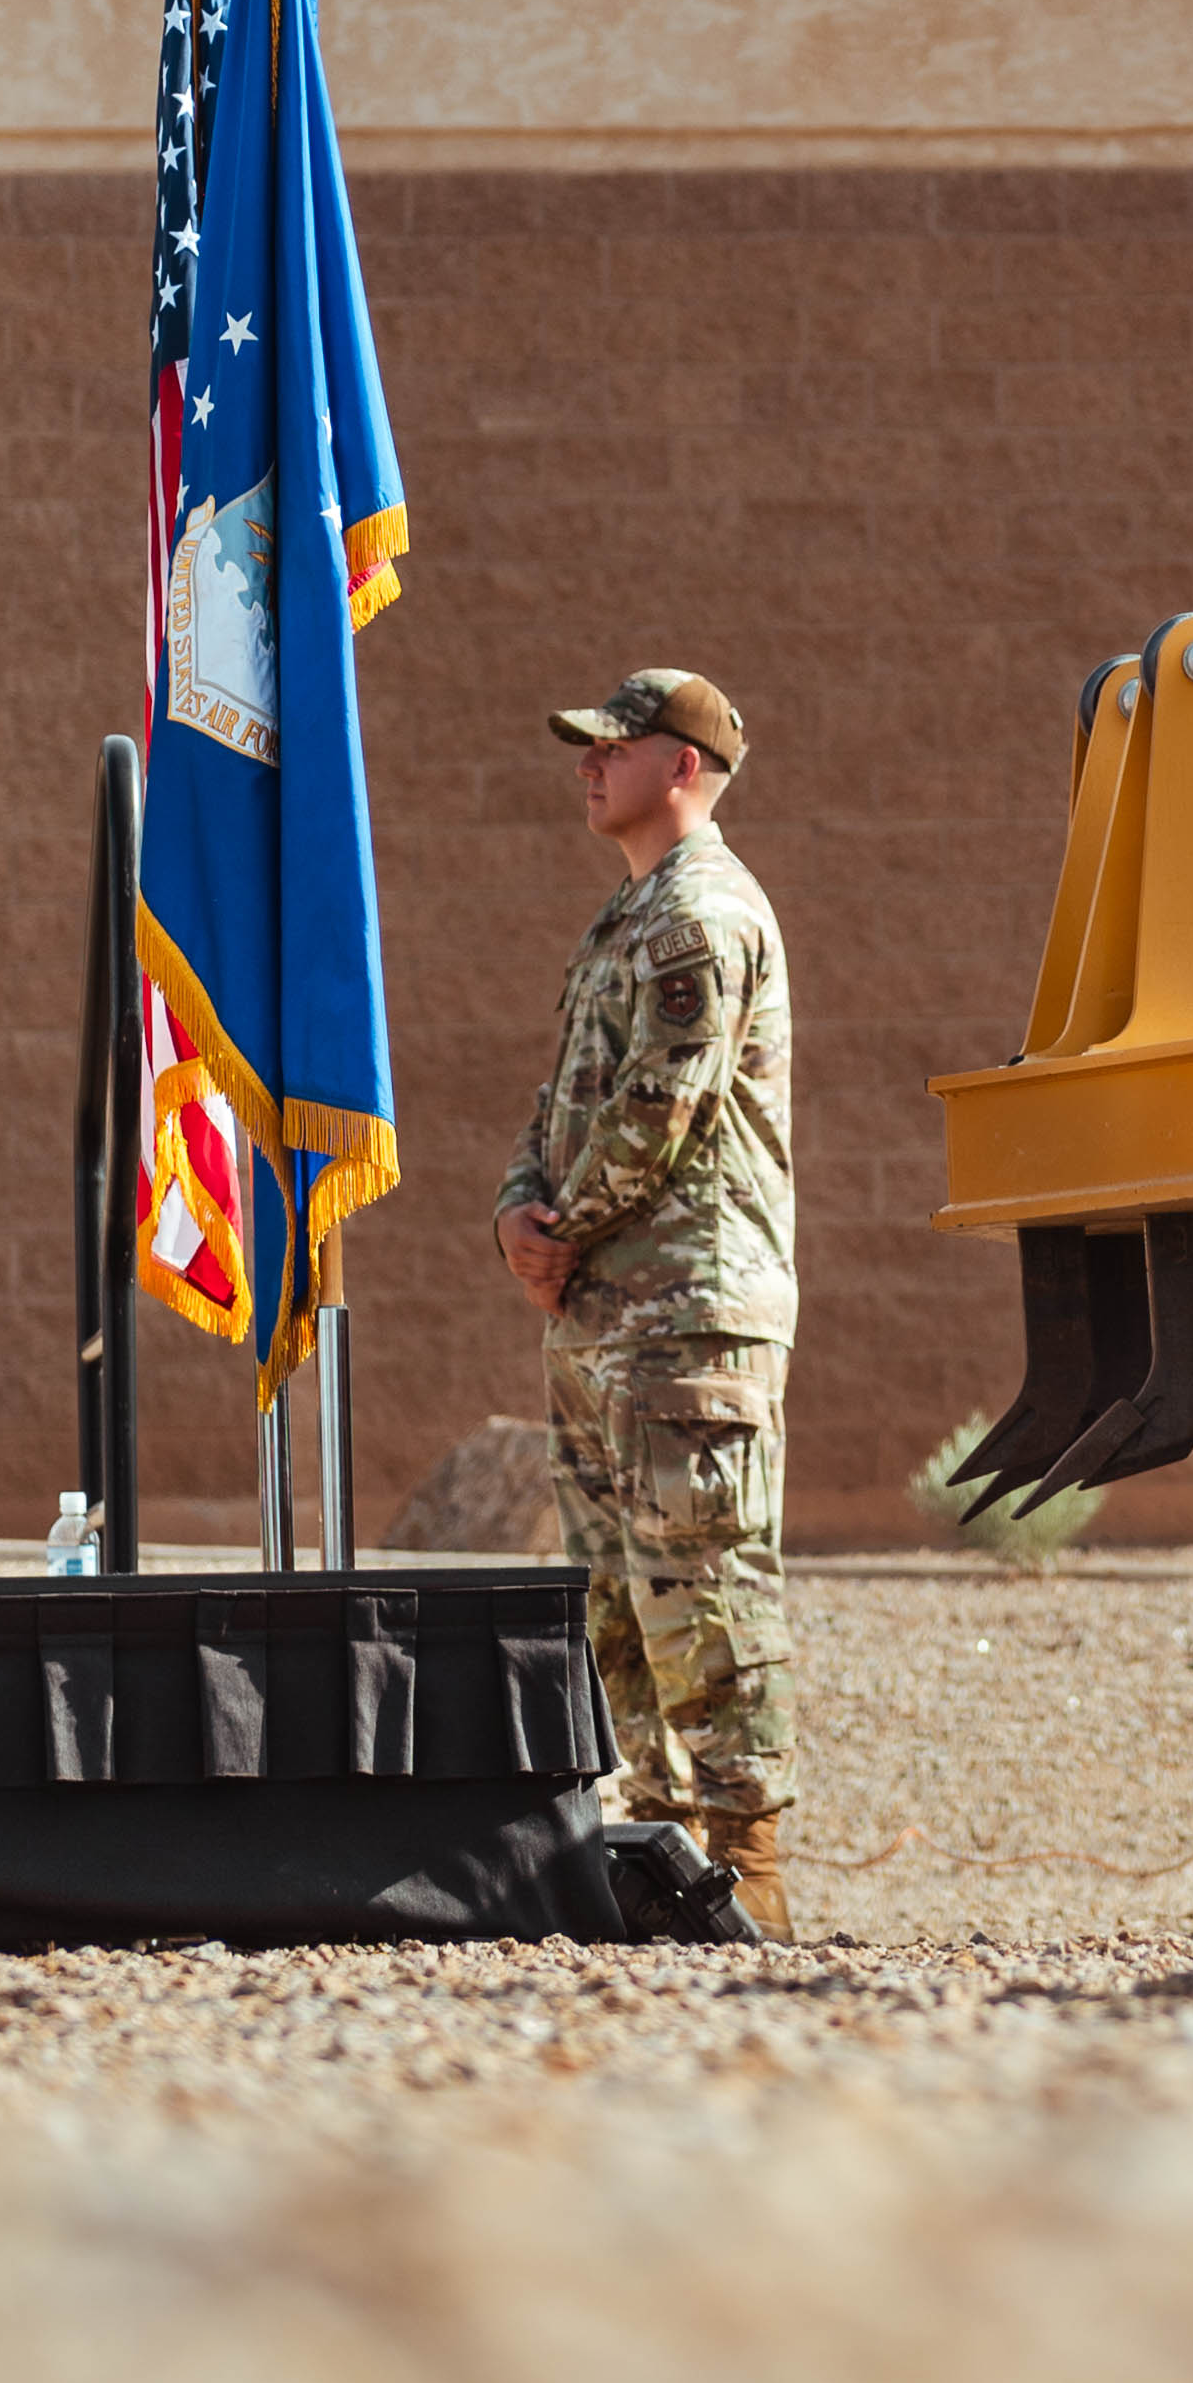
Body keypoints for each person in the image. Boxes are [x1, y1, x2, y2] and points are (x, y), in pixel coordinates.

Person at [496, 668, 800, 1930]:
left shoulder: (701, 917)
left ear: (683, 766)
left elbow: (660, 1111)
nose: (588, 765)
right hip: (604, 1318)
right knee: (619, 1600)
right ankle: (663, 1876)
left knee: (707, 1588)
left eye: (612, 747)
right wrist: (519, 1205)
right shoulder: (623, 922)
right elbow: (563, 1099)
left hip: (688, 1310)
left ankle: (751, 1881)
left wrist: (559, 1232)